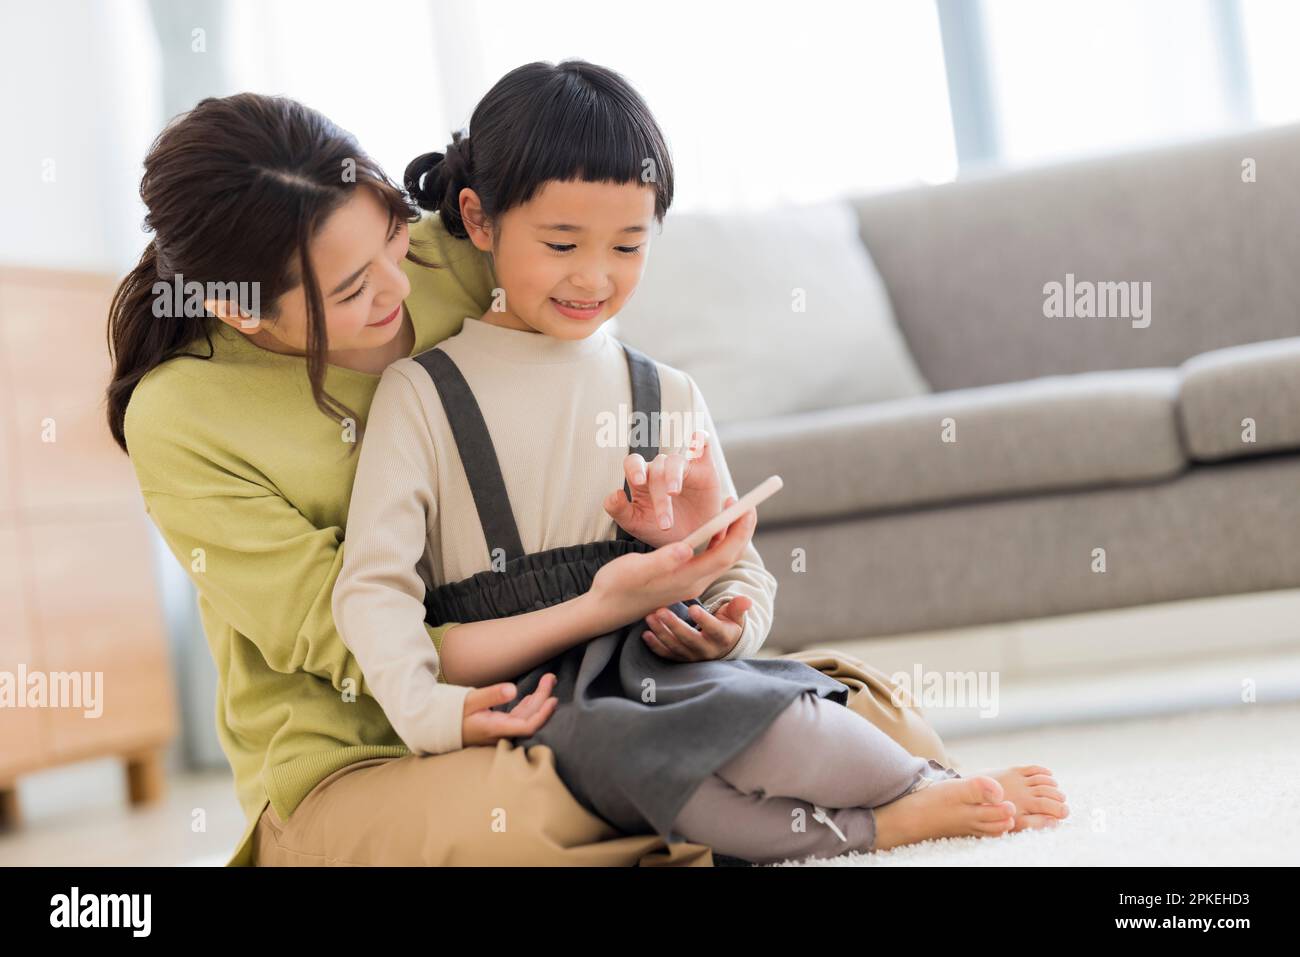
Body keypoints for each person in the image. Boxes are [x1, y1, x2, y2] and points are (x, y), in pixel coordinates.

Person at [331, 59, 1069, 865]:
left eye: (627, 245)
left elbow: (741, 571)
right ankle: (890, 817)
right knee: (669, 783)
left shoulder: (665, 392)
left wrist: (726, 625)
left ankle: (913, 791)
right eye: (560, 243)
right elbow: (374, 586)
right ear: (478, 218)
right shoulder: (423, 395)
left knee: (766, 712)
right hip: (540, 690)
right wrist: (430, 713)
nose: (594, 275)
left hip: (661, 665)